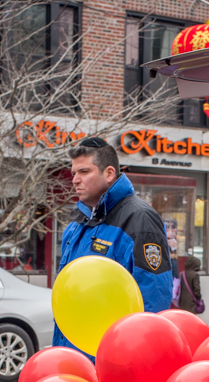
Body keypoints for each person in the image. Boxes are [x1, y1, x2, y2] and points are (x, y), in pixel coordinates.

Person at [53, 137, 171, 349]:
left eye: (84, 172)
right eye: (74, 173)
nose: (75, 180)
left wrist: (128, 358)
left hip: (112, 356)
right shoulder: (76, 225)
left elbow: (153, 300)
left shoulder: (140, 219)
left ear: (109, 173)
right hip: (73, 355)